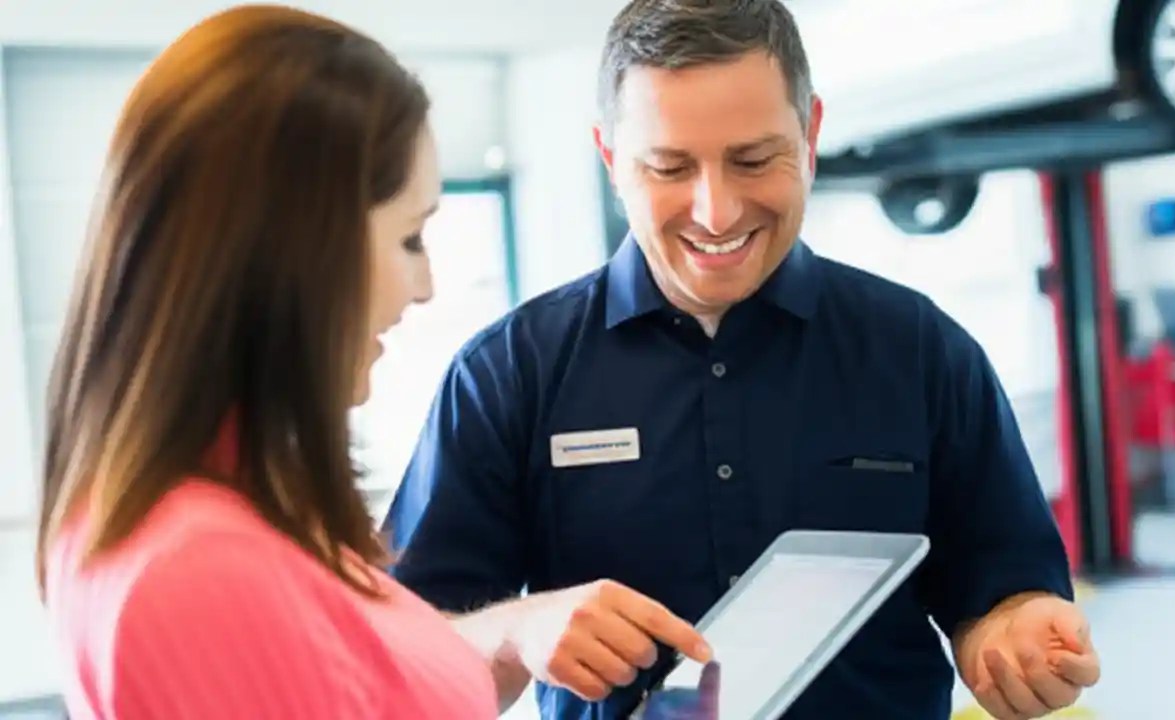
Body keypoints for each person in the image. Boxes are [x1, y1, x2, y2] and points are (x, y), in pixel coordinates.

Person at [386, 0, 1102, 718]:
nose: (716, 212)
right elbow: (404, 663)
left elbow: (1004, 593)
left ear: (810, 134)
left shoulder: (922, 352)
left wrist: (1016, 638)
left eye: (754, 160)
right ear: (610, 158)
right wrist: (516, 631)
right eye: (669, 167)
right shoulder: (508, 374)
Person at [34, 6, 713, 719]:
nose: (425, 286)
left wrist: (517, 635)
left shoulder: (218, 521)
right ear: (297, 249)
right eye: (409, 239)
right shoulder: (200, 572)